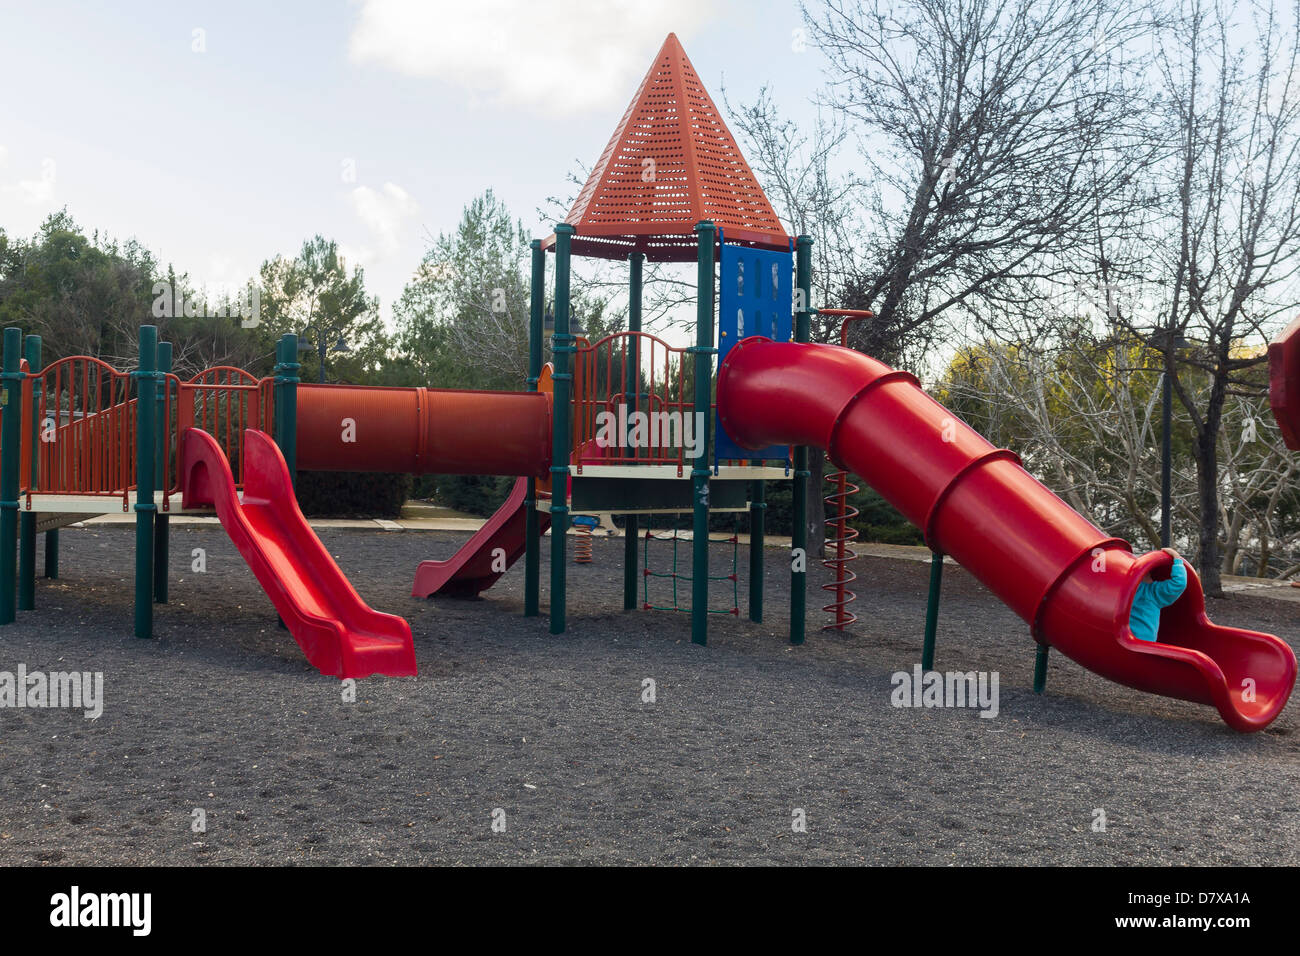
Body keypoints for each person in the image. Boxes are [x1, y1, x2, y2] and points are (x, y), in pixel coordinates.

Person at [1129, 547, 1187, 643]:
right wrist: (1177, 559)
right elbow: (1178, 583)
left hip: (1123, 641)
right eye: (1150, 575)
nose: (1153, 579)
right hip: (1145, 643)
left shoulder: (1125, 589)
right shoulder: (1150, 592)